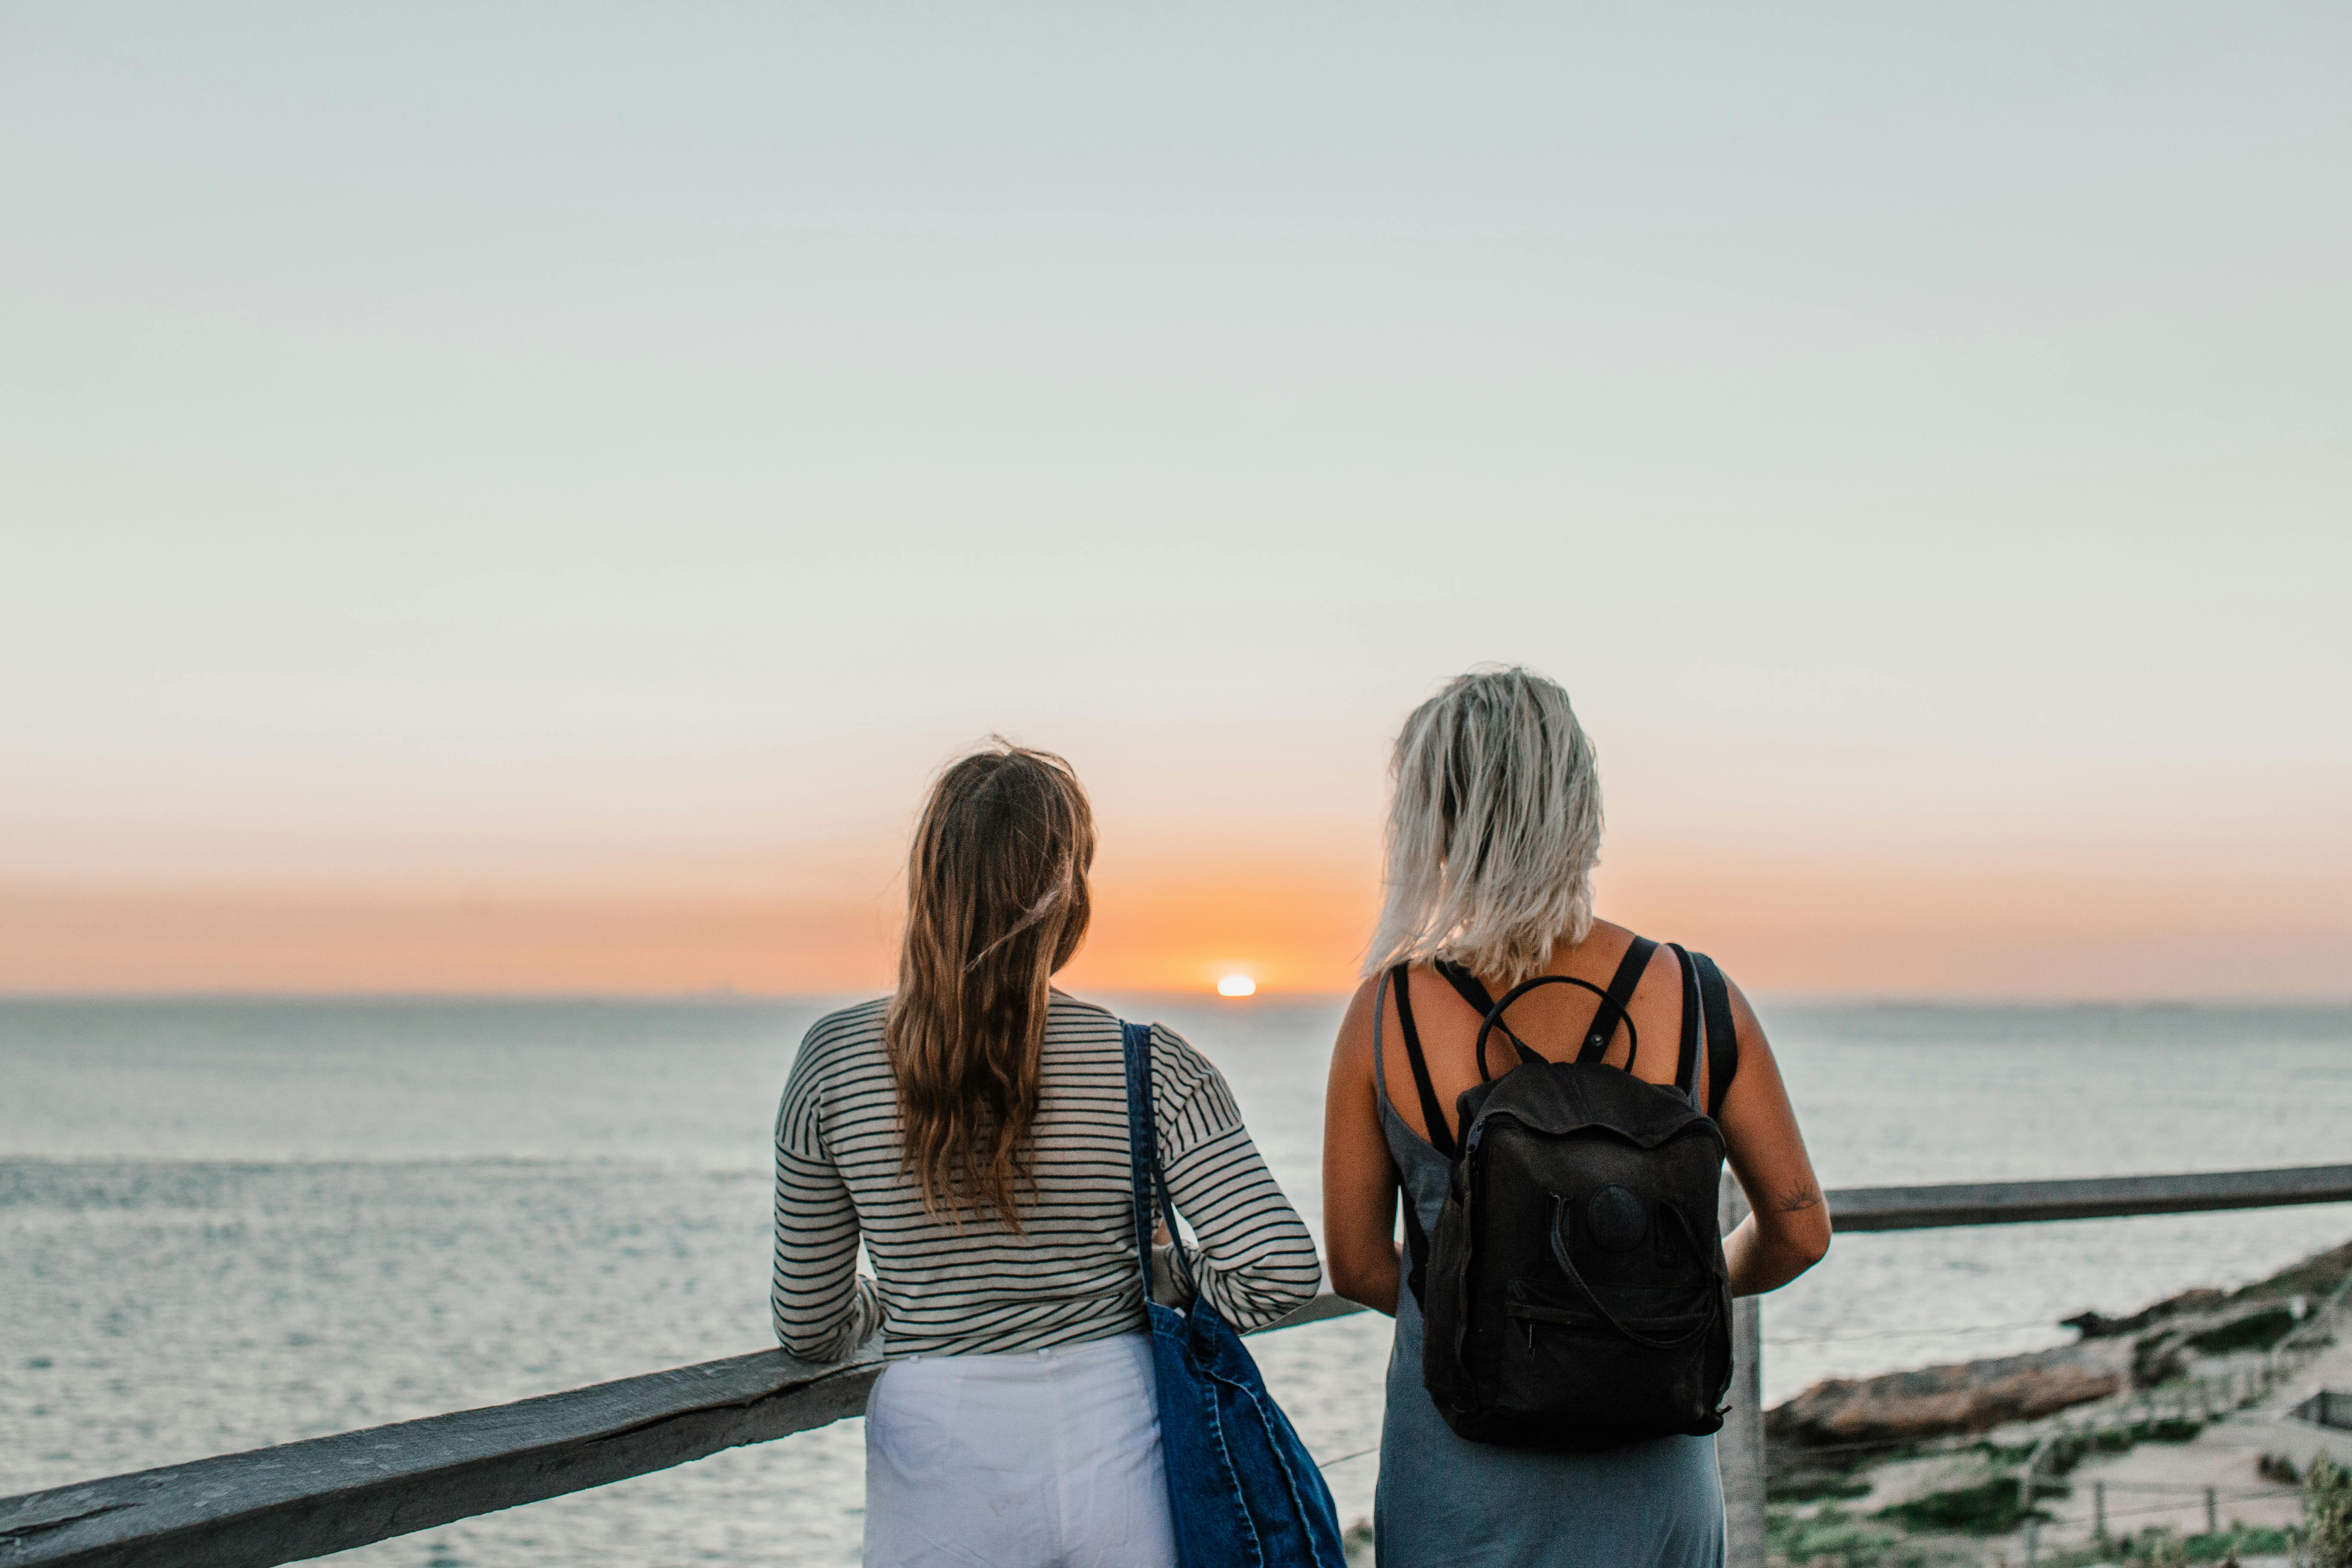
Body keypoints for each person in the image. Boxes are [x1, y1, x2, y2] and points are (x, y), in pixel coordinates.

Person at [1321, 667, 1832, 1567]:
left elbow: (1361, 1264)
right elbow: (1797, 1231)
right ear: (1578, 805)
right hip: (1654, 1472)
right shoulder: (1702, 998)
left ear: (1435, 820)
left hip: (1464, 1472)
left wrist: (1504, 1310)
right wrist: (1659, 1297)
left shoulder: (1388, 1014)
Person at [773, 741, 1322, 1568]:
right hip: (1122, 1441)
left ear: (932, 883)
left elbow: (810, 1330)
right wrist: (1164, 1280)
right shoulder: (1148, 1063)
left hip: (939, 1458)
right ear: (1069, 898)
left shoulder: (835, 1061)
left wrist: (894, 1304)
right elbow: (1278, 1271)